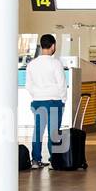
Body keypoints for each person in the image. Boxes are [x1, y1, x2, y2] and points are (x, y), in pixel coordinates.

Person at [25, 33, 66, 169]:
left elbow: (28, 86)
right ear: (53, 46)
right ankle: (54, 160)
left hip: (37, 102)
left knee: (38, 131)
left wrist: (37, 95)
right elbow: (61, 84)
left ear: (41, 46)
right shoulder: (55, 63)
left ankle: (36, 160)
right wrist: (63, 100)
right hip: (54, 101)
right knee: (53, 132)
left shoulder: (32, 64)